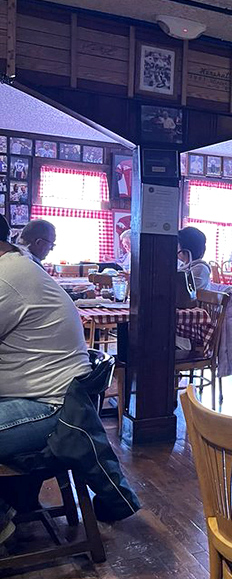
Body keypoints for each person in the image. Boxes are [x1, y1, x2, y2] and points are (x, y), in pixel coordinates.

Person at [0, 214, 138, 540]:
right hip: (53, 398)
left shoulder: (7, 279)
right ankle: (10, 506)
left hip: (52, 407)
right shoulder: (17, 267)